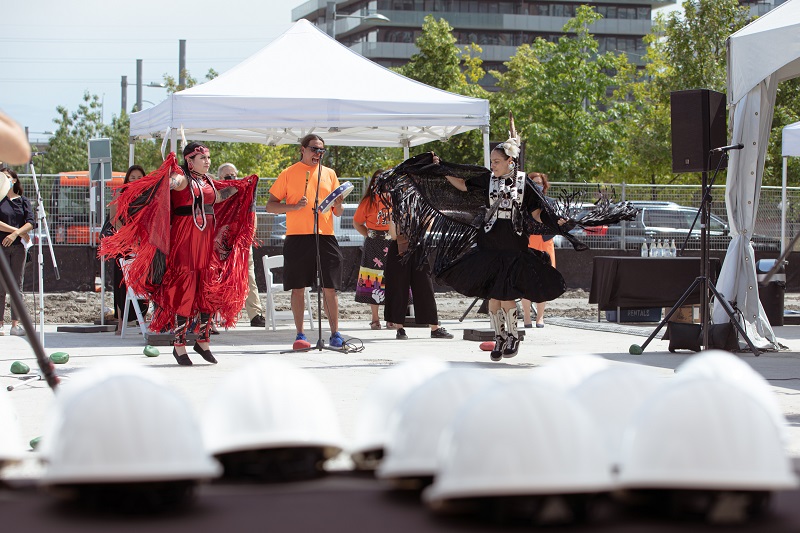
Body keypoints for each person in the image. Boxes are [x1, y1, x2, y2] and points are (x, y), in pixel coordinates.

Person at [376, 125, 635, 361]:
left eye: (498, 161)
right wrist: (441, 170)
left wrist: (555, 221)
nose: (494, 165)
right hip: (489, 246)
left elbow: (536, 211)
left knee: (506, 296)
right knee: (494, 299)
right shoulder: (488, 179)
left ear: (511, 161)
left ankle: (512, 337)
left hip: (513, 247)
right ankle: (500, 338)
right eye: (492, 161)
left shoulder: (524, 184)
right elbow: (463, 185)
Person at [100, 142, 258, 366]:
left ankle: (203, 341)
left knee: (207, 291)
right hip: (185, 244)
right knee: (185, 292)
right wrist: (170, 178)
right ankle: (179, 344)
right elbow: (169, 186)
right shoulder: (182, 178)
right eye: (201, 158)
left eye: (208, 158)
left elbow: (220, 198)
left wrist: (242, 186)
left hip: (205, 245)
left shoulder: (208, 182)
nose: (207, 161)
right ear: (189, 160)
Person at [266, 134, 346, 348]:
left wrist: (339, 204)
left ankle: (335, 334)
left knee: (330, 287)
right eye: (314, 149)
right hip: (298, 237)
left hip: (325, 235)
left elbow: (338, 212)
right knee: (298, 287)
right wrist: (292, 207)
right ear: (302, 149)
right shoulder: (288, 173)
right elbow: (270, 206)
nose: (318, 154)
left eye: (321, 151)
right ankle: (300, 335)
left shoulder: (329, 174)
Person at [384, 215, 453, 341]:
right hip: (399, 250)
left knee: (425, 286)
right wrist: (395, 221)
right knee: (399, 288)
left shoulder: (419, 206)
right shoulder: (395, 206)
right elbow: (394, 236)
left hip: (418, 248)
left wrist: (425, 220)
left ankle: (434, 328)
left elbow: (429, 227)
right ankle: (399, 328)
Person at [218, 162, 266, 328]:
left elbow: (252, 215)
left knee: (249, 278)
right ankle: (215, 317)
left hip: (243, 244)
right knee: (217, 280)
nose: (232, 178)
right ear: (220, 178)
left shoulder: (245, 192)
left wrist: (247, 237)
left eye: (234, 175)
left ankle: (256, 314)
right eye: (227, 176)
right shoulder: (216, 194)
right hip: (221, 244)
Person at [109, 165, 149, 334]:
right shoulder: (120, 194)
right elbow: (113, 219)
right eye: (132, 177)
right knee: (122, 281)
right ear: (127, 179)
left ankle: (143, 320)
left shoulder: (148, 197)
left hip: (143, 243)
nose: (135, 180)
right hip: (124, 243)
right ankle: (120, 323)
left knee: (144, 281)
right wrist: (127, 234)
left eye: (139, 177)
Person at [353, 170, 391, 330]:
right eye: (377, 179)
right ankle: (375, 319)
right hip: (374, 244)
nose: (380, 183)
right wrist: (369, 234)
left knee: (392, 279)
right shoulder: (368, 201)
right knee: (373, 280)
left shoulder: (394, 199)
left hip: (392, 243)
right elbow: (357, 222)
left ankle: (392, 317)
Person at [0, 168, 34, 336]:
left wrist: (15, 234)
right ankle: (0, 324)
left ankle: (15, 324)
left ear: (14, 180)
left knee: (17, 285)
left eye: (7, 177)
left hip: (19, 247)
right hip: (2, 246)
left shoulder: (23, 201)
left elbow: (30, 222)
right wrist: (17, 231)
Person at [522, 171, 556, 329]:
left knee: (543, 280)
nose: (538, 185)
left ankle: (540, 318)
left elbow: (556, 223)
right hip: (528, 243)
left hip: (545, 243)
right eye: (534, 182)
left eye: (540, 183)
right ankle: (527, 318)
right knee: (526, 281)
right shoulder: (524, 202)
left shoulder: (551, 202)